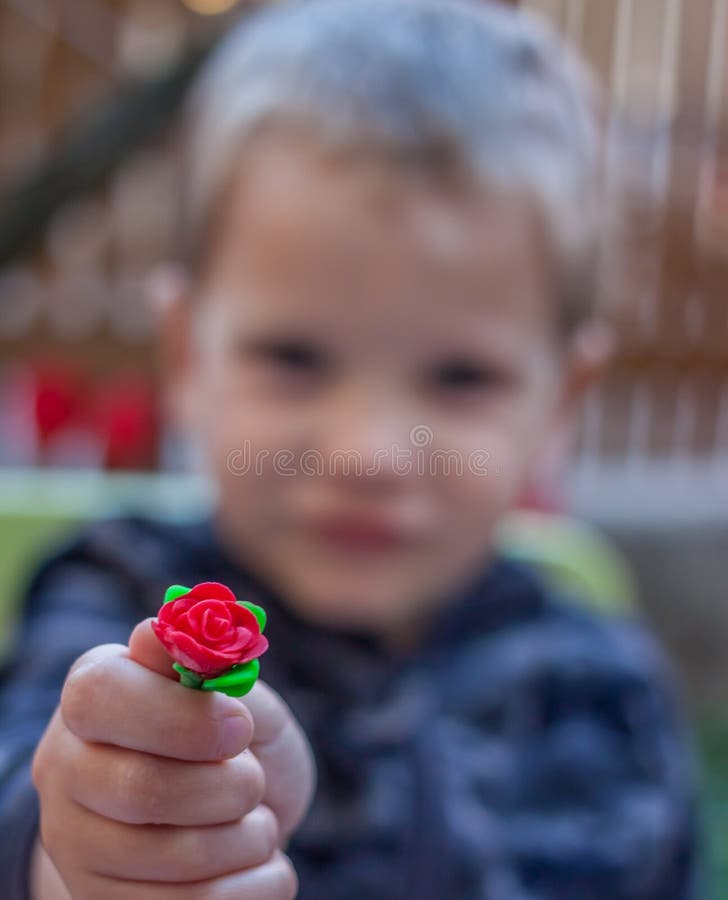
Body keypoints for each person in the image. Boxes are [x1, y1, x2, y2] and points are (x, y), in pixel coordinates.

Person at [0, 1, 701, 897]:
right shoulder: (115, 593)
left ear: (560, 402)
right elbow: (25, 812)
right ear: (184, 356)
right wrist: (92, 849)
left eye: (460, 378)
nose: (368, 453)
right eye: (294, 359)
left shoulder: (604, 698)